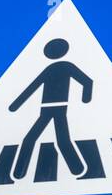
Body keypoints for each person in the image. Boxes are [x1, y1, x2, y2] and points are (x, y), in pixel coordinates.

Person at [8, 38, 93, 180]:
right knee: (37, 139)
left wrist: (85, 99)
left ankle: (77, 169)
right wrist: (15, 106)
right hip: (47, 109)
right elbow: (33, 86)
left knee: (56, 139)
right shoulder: (55, 68)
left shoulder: (66, 66)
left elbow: (87, 81)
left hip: (58, 107)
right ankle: (18, 173)